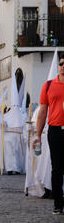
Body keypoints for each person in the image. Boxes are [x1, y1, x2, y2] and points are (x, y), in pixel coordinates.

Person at [34, 53, 64, 214]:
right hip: (55, 131)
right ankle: (58, 204)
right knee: (57, 168)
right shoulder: (48, 85)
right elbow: (42, 112)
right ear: (58, 66)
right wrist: (37, 135)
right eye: (61, 63)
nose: (63, 66)